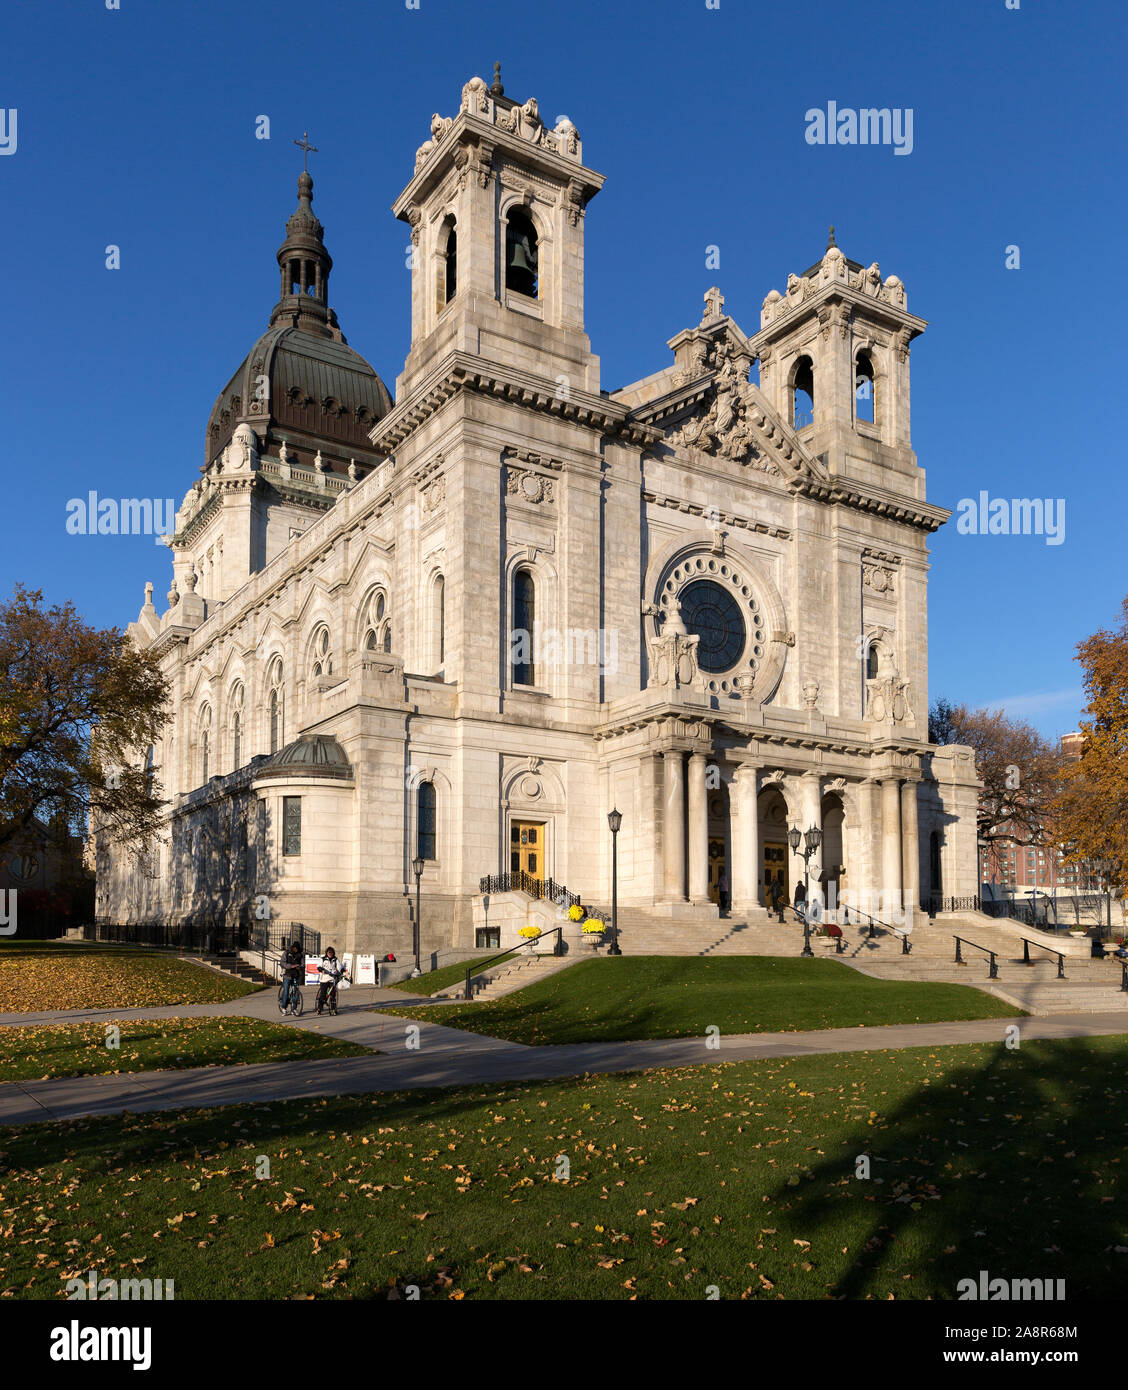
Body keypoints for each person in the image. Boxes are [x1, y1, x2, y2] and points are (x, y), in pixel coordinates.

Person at [316, 947, 349, 1012]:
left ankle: (333, 1009)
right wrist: (321, 970)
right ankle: (319, 1008)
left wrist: (344, 972)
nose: (330, 953)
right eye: (329, 952)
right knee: (323, 994)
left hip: (333, 979)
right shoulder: (322, 959)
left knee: (333, 995)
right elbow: (319, 966)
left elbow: (340, 967)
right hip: (324, 979)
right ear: (326, 952)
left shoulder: (335, 959)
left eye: (331, 952)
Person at [281, 939, 304, 1010]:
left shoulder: (300, 954)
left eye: (297, 948)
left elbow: (303, 964)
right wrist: (291, 966)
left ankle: (294, 1009)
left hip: (296, 975)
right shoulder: (286, 953)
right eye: (294, 948)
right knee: (286, 991)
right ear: (292, 947)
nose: (296, 950)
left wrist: (299, 967)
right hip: (287, 975)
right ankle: (284, 1007)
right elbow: (282, 963)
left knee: (296, 992)